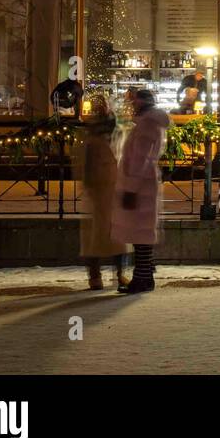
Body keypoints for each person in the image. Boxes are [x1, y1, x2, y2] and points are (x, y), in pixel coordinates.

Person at [111, 88, 171, 294]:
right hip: (144, 184)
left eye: (134, 103)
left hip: (140, 186)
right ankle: (144, 277)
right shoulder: (150, 124)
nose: (131, 106)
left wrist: (131, 188)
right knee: (141, 234)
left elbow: (140, 159)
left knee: (140, 235)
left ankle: (143, 279)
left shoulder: (147, 126)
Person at [77, 94, 130, 290]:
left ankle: (118, 274)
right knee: (96, 237)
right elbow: (85, 164)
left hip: (114, 188)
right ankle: (95, 276)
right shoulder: (92, 135)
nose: (101, 108)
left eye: (103, 105)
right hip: (99, 191)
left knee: (116, 236)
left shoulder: (117, 131)